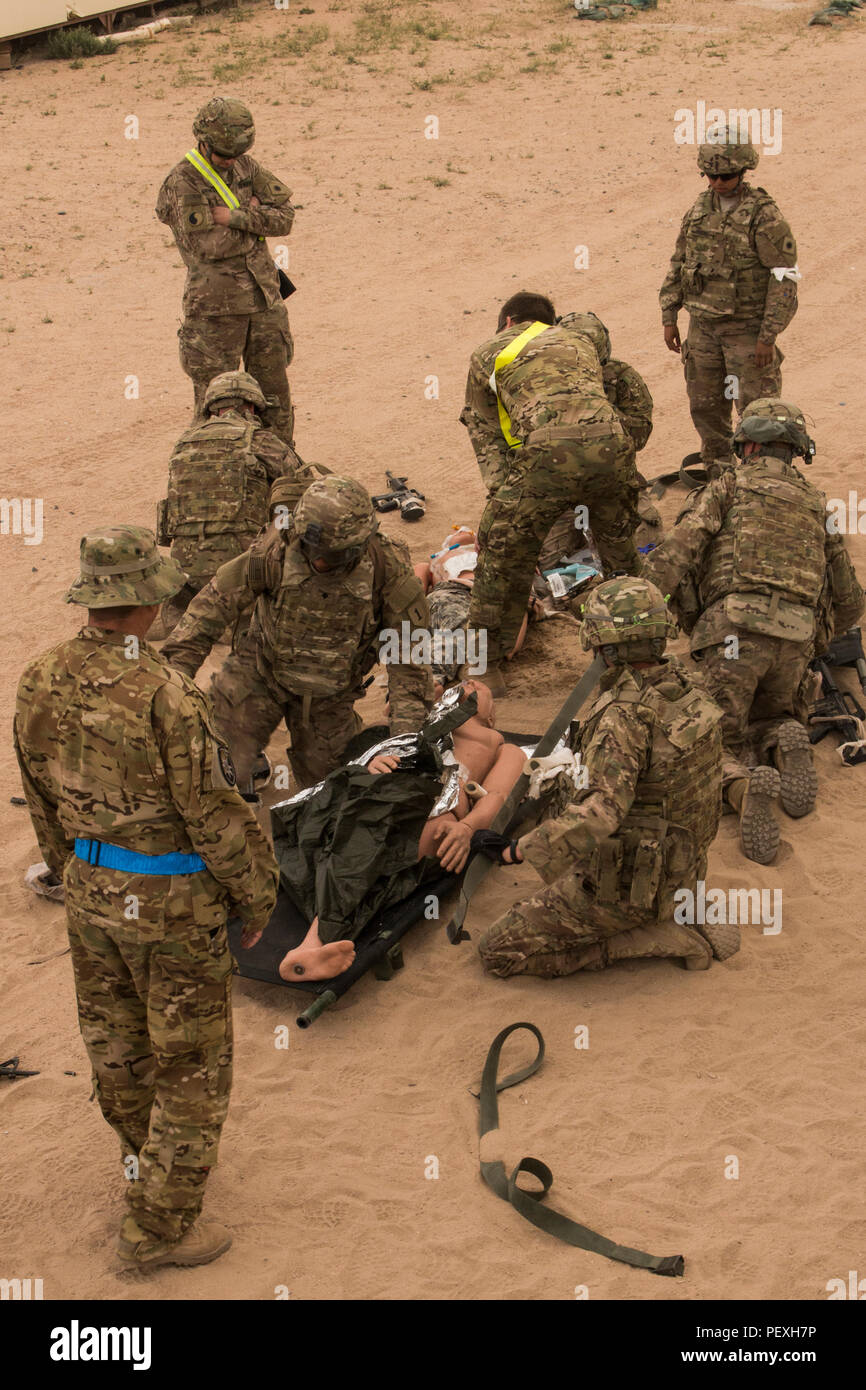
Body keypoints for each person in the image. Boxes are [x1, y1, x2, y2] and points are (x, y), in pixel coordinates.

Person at [13, 526, 278, 1269]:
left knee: (120, 1050)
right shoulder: (165, 690)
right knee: (191, 1063)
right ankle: (157, 1230)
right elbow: (214, 813)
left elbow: (40, 797)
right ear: (148, 600)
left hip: (94, 894)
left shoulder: (39, 676)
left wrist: (73, 871)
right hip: (172, 904)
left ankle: (147, 1165)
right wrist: (255, 901)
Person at [476, 577, 731, 978]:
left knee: (499, 950)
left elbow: (600, 815)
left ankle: (652, 937)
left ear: (608, 647)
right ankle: (680, 905)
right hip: (683, 865)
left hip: (630, 888)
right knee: (565, 787)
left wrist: (518, 851)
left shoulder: (623, 715)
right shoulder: (688, 688)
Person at [643, 399, 863, 863]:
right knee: (773, 715)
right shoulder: (816, 502)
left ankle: (743, 790)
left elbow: (679, 552)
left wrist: (640, 606)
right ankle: (784, 745)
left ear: (746, 444)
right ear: (796, 449)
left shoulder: (729, 485)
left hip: (733, 631)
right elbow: (850, 599)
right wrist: (815, 642)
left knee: (717, 737)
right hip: (796, 638)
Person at [162, 476, 434, 792]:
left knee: (331, 789)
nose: (318, 560)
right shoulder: (273, 550)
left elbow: (410, 668)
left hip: (328, 696)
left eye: (331, 555)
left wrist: (402, 744)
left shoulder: (388, 570)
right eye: (310, 549)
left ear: (359, 545)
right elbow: (204, 616)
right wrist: (170, 689)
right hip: (260, 672)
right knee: (211, 766)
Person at [277, 679, 527, 980]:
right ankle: (315, 945)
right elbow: (391, 717)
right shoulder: (421, 715)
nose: (472, 682)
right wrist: (372, 761)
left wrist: (467, 828)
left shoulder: (501, 744)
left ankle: (315, 942)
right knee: (352, 836)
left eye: (483, 689)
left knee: (374, 853)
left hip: (435, 802)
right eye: (463, 682)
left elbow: (499, 797)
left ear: (490, 716)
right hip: (383, 785)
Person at [460, 290, 641, 695]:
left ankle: (484, 667)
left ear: (508, 322)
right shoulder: (579, 341)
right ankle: (637, 652)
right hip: (612, 446)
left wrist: (503, 494)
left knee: (501, 555)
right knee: (619, 553)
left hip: (546, 454)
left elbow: (484, 426)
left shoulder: (490, 351)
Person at [156, 98, 295, 442]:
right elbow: (208, 246)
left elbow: (286, 217)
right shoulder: (183, 182)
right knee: (217, 405)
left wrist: (236, 217)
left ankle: (281, 477)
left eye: (236, 153)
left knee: (275, 400)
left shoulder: (246, 166)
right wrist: (257, 223)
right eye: (223, 154)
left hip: (263, 301)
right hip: (216, 311)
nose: (230, 161)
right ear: (202, 142)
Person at [660, 136, 799, 473]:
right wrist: (669, 313)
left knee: (758, 411)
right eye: (711, 176)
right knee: (706, 408)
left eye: (727, 176)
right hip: (703, 328)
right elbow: (679, 262)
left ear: (743, 171)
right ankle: (718, 475)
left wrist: (768, 335)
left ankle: (763, 476)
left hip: (746, 331)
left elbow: (784, 277)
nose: (718, 182)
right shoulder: (698, 209)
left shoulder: (764, 216)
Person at [157, 369, 312, 633]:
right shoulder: (260, 440)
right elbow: (306, 489)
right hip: (240, 573)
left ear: (211, 408)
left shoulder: (182, 444)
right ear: (252, 406)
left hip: (187, 577)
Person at [537, 310, 657, 571]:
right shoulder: (545, 381)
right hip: (563, 489)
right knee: (548, 567)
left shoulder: (622, 378)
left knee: (645, 545)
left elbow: (640, 435)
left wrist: (596, 412)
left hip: (613, 480)